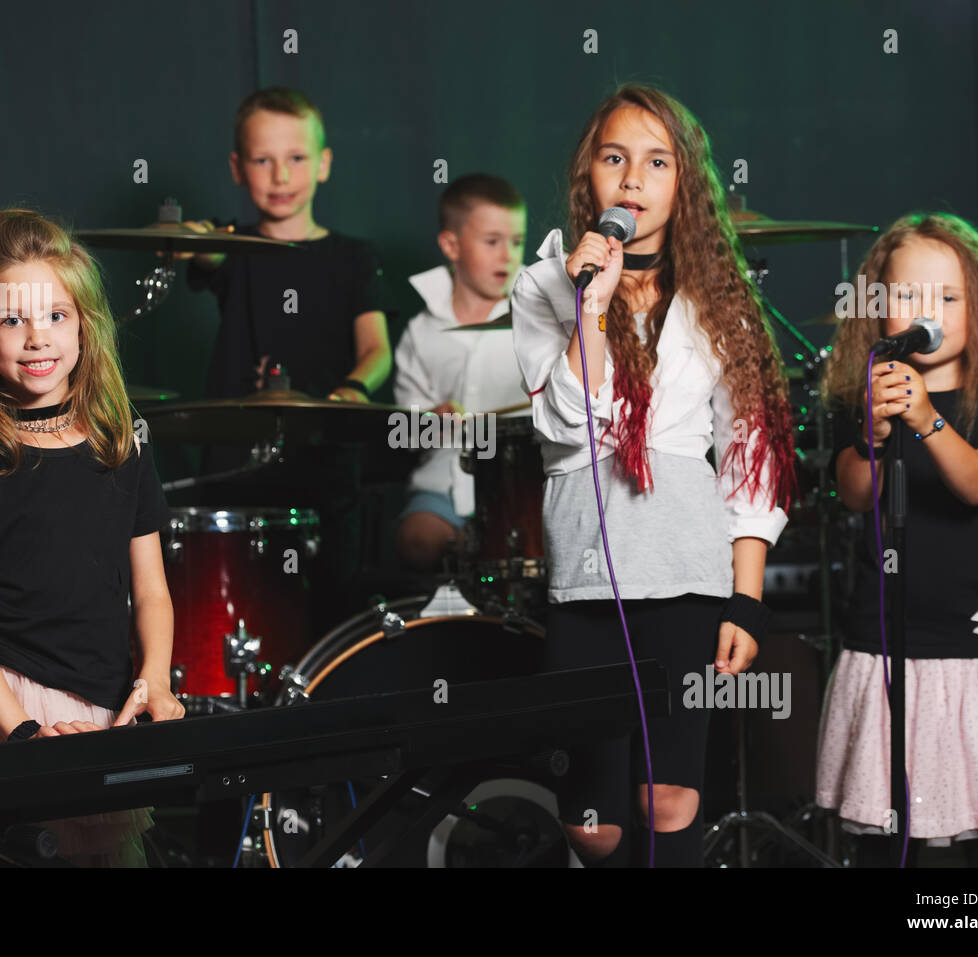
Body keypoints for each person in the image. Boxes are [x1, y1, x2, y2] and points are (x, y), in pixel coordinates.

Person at [511, 85, 796, 867]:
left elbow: (751, 454)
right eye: (615, 158)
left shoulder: (722, 301)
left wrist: (746, 595)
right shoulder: (544, 287)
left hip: (689, 577)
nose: (633, 178)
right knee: (593, 823)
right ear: (588, 176)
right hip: (587, 582)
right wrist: (591, 309)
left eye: (656, 161)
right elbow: (571, 424)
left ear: (685, 182)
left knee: (668, 797)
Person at [0, 209, 182, 867]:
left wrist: (156, 678)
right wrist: (20, 730)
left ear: (84, 325)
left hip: (95, 702)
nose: (35, 337)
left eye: (54, 315)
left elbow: (152, 590)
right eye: (11, 319)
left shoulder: (121, 444)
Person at [816, 212, 978, 867]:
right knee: (882, 834)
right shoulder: (867, 393)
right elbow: (851, 490)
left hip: (977, 646)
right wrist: (871, 435)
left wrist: (926, 419)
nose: (928, 311)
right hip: (887, 641)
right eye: (907, 296)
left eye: (948, 297)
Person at [183, 87, 393, 633]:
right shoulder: (235, 247)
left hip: (324, 466)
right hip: (237, 466)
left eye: (296, 158)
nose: (280, 176)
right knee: (234, 615)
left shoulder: (354, 257)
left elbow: (377, 349)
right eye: (262, 159)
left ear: (323, 165)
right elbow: (202, 251)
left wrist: (353, 387)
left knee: (330, 616)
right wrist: (188, 239)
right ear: (237, 167)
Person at [394, 173, 528, 571]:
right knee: (417, 539)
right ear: (451, 245)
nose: (508, 255)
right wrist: (428, 422)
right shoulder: (420, 332)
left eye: (517, 242)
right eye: (492, 242)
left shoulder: (539, 318)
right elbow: (403, 430)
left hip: (521, 488)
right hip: (445, 489)